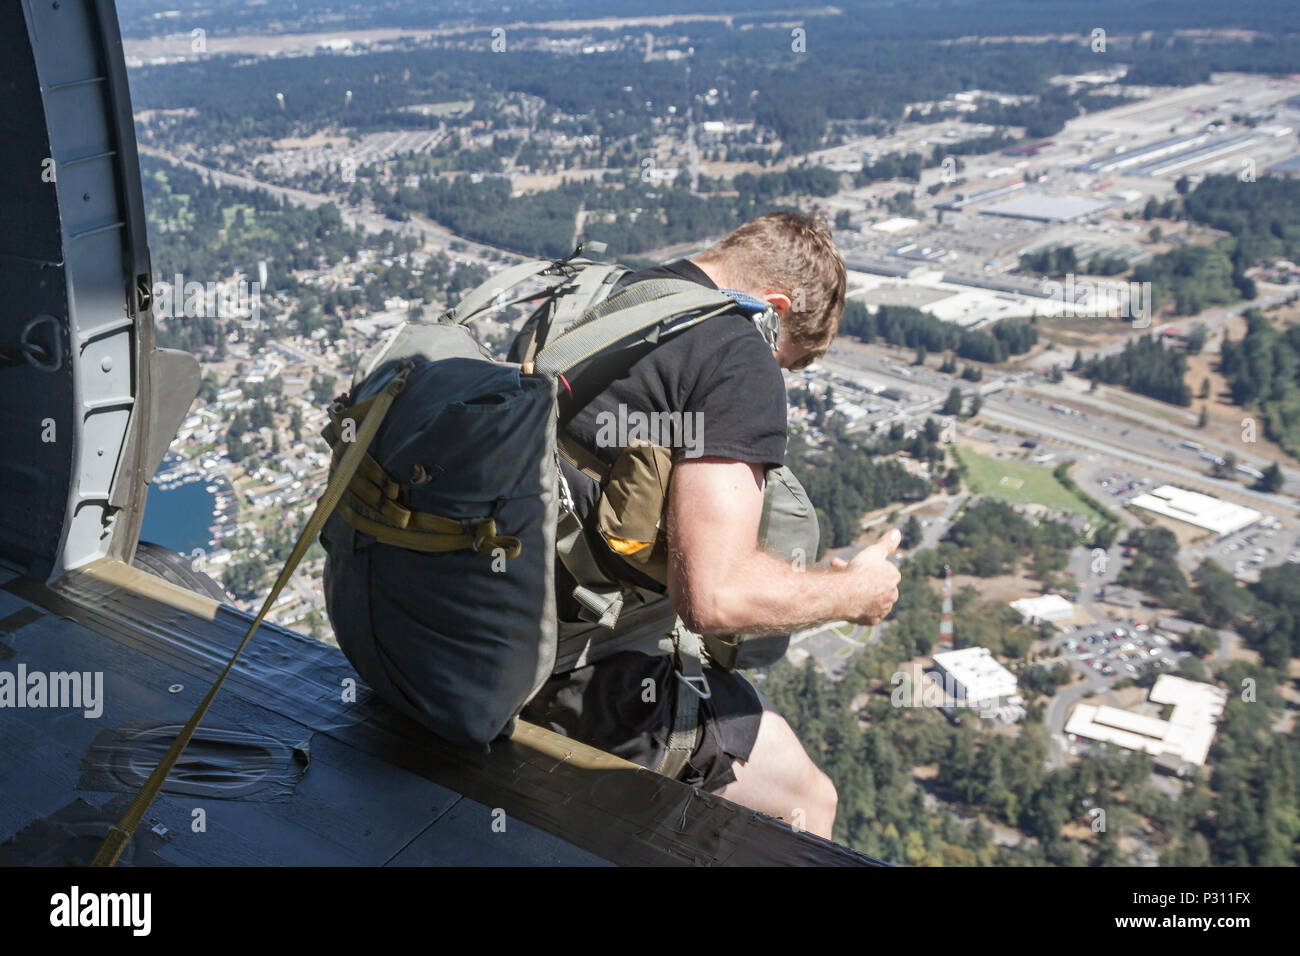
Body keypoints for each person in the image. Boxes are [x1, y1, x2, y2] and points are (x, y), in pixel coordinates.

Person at [509, 211, 901, 840]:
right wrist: (856, 594)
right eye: (786, 358)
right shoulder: (735, 352)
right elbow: (715, 598)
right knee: (807, 798)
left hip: (487, 626)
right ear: (774, 306)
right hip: (573, 677)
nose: (778, 374)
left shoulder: (600, 299)